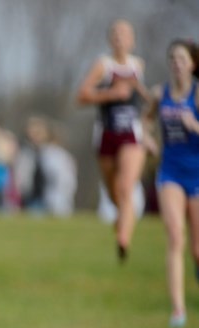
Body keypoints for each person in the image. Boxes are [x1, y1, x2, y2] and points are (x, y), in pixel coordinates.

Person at [77, 19, 148, 262]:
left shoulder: (138, 66)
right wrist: (110, 94)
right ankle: (121, 219)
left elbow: (142, 98)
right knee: (113, 191)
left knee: (126, 187)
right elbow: (82, 96)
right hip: (107, 134)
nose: (120, 38)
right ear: (110, 40)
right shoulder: (103, 65)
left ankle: (123, 240)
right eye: (115, 34)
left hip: (131, 135)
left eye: (125, 34)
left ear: (132, 40)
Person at [144, 40, 199, 328]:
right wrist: (147, 138)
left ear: (192, 63)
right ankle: (178, 309)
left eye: (182, 58)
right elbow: (145, 121)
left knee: (197, 248)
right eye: (172, 58)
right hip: (170, 173)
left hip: (198, 173)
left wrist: (195, 126)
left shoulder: (198, 94)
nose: (176, 62)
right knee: (176, 236)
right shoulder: (159, 93)